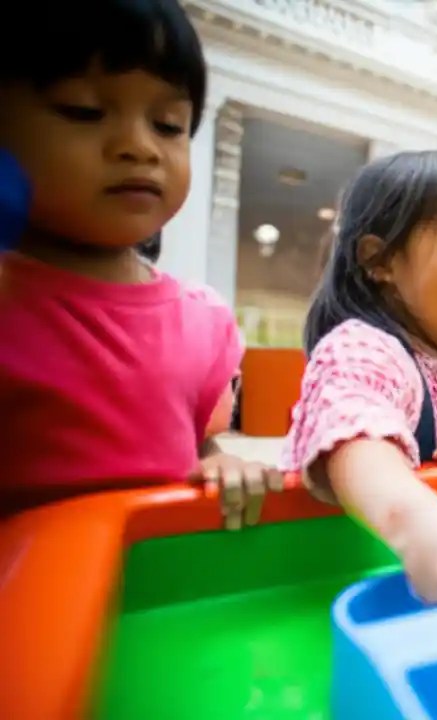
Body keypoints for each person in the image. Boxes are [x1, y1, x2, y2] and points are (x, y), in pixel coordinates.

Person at [0, 0, 278, 525]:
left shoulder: (201, 318)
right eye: (84, 111)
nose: (139, 146)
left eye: (169, 125)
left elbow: (189, 452)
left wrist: (223, 466)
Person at [281, 150, 437, 608]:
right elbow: (355, 440)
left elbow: (436, 461)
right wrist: (419, 525)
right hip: (316, 579)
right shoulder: (361, 348)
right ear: (381, 262)